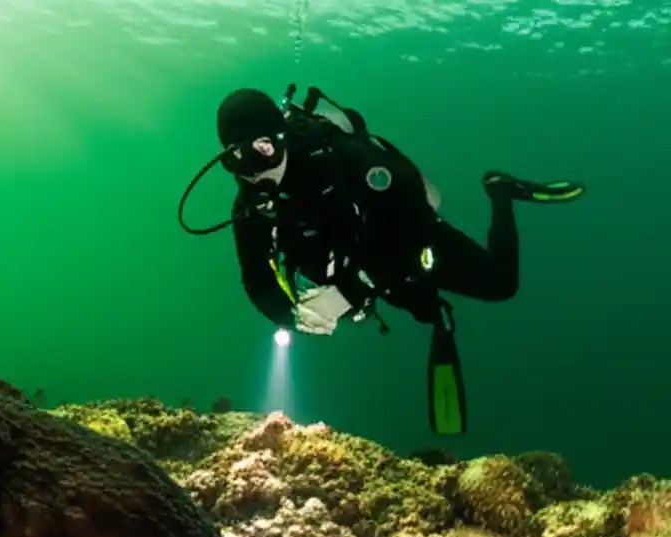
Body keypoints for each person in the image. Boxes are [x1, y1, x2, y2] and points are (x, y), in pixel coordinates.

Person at [176, 84, 585, 435]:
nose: (252, 170)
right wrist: (293, 316)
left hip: (408, 241)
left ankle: (500, 192)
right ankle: (424, 308)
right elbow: (256, 279)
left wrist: (348, 292)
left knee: (500, 285)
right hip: (359, 277)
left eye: (261, 150)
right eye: (235, 158)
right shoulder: (251, 206)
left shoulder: (339, 158)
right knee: (418, 306)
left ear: (281, 139)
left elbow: (415, 221)